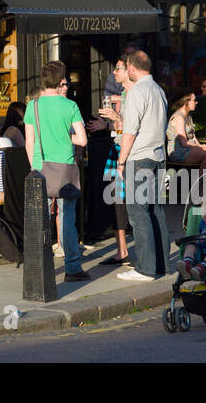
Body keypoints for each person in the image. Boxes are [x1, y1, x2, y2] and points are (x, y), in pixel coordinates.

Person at [25, 60, 90, 283]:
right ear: (61, 81)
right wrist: (66, 137)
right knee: (66, 219)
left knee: (40, 220)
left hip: (40, 168)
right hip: (64, 169)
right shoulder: (69, 106)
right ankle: (72, 267)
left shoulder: (32, 106)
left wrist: (33, 167)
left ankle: (39, 267)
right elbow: (82, 139)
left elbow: (29, 142)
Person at [115, 51, 169, 281]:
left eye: (126, 67)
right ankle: (162, 265)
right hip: (158, 155)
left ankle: (145, 268)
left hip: (139, 156)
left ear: (132, 68)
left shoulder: (138, 91)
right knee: (155, 210)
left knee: (138, 212)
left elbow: (130, 132)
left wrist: (121, 160)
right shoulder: (158, 89)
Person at [93, 56, 135, 264]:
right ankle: (122, 250)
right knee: (114, 198)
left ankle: (133, 251)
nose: (114, 72)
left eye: (118, 68)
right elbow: (120, 128)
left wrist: (115, 119)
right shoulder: (125, 94)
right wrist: (109, 124)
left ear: (130, 70)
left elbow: (133, 129)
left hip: (128, 152)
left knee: (131, 201)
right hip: (116, 148)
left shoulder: (136, 94)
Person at [166, 92, 206, 169]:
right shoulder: (179, 117)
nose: (196, 102)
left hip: (189, 149)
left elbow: (193, 137)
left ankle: (203, 178)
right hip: (179, 152)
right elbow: (184, 143)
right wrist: (203, 146)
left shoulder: (188, 117)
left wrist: (204, 146)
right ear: (186, 102)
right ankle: (202, 180)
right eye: (194, 100)